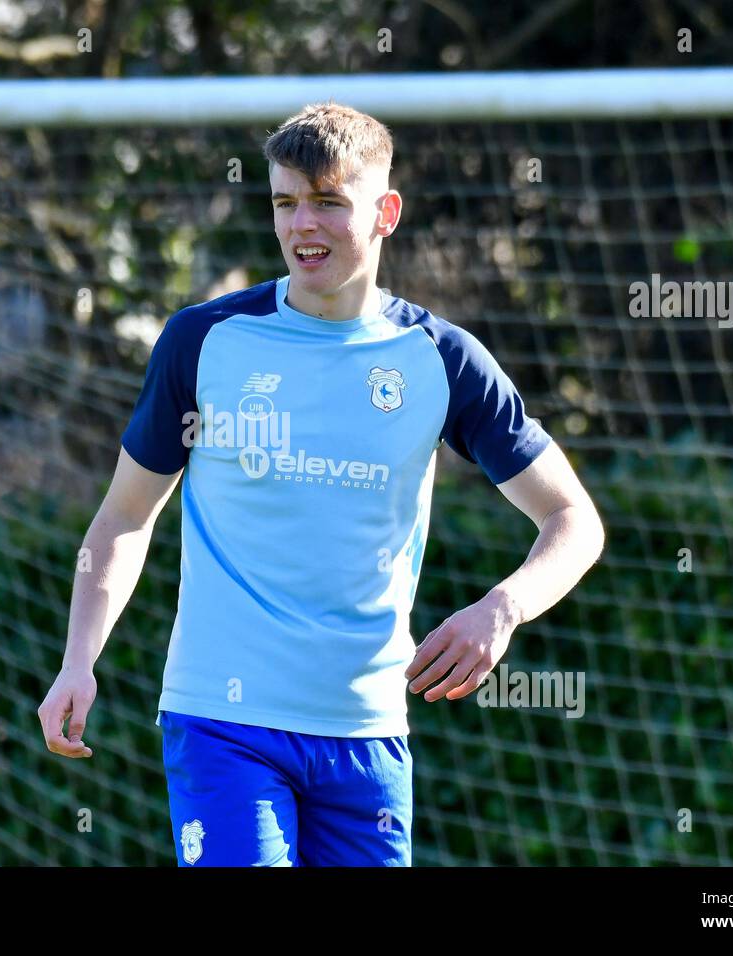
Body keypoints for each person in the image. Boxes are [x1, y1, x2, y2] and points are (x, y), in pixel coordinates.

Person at [38, 102, 605, 866]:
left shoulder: (441, 360)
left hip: (366, 730)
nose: (303, 225)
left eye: (330, 202)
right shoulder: (204, 342)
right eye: (285, 202)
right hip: (222, 722)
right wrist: (80, 659)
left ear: (385, 212)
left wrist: (502, 610)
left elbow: (573, 519)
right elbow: (125, 518)